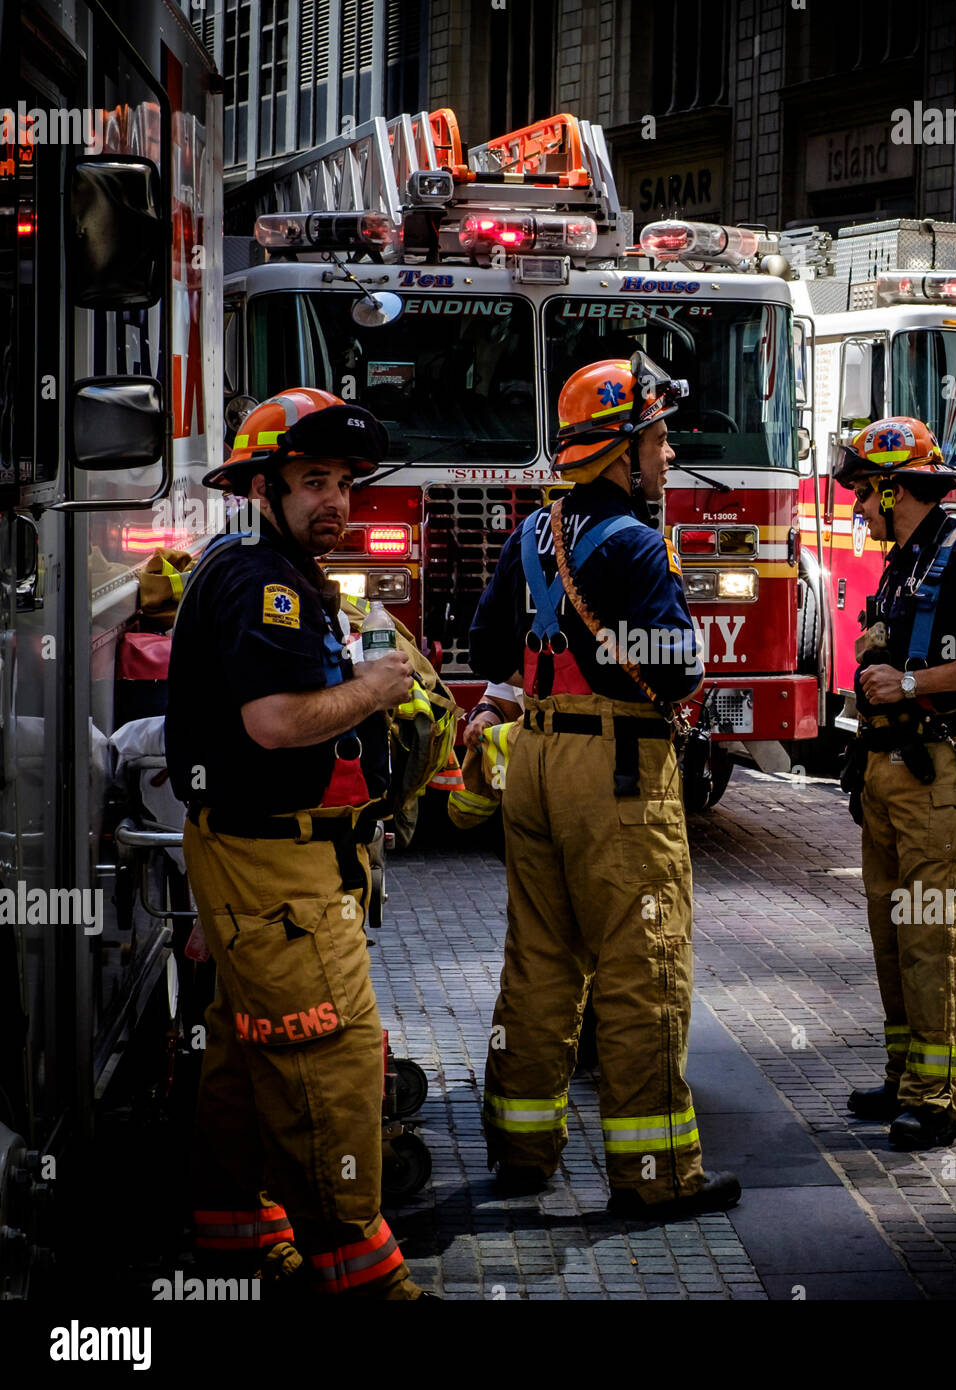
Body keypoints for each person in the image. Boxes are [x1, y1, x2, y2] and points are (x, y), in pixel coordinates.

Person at [166, 387, 426, 1297]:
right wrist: (378, 688)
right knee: (330, 1062)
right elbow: (276, 722)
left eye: (345, 483)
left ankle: (236, 1240)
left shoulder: (259, 568)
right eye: (313, 481)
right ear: (264, 487)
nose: (337, 503)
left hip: (255, 861)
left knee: (244, 1053)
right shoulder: (264, 582)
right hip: (275, 869)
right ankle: (363, 1278)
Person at [469, 354, 740, 1219]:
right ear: (622, 452)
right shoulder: (631, 542)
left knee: (541, 961)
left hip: (536, 760)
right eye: (658, 440)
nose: (666, 457)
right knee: (642, 966)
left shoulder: (532, 535)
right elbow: (677, 668)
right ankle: (655, 1177)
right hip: (615, 774)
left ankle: (520, 1152)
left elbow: (482, 652)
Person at [836, 417, 956, 1151]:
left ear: (896, 488)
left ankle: (940, 1097)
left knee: (934, 934)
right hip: (888, 773)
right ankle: (904, 1075)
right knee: (891, 933)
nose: (857, 507)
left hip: (939, 774)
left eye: (863, 493)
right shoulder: (903, 560)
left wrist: (914, 680)